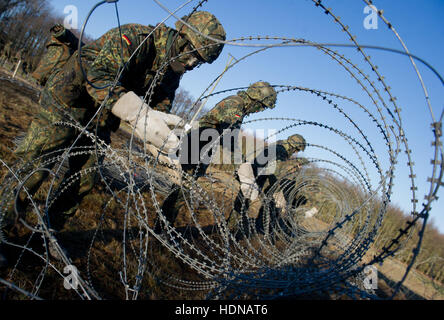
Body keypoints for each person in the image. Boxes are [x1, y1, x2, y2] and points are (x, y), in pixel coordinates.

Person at [0, 11, 226, 236]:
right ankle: (2, 223)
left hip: (102, 117)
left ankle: (48, 230)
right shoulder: (137, 38)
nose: (192, 63)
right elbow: (98, 76)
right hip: (70, 98)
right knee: (37, 163)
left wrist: (170, 146)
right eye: (193, 54)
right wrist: (137, 113)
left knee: (84, 178)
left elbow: (160, 110)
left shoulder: (171, 74)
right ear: (182, 38)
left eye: (200, 62)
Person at [157, 81, 278, 232]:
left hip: (203, 148)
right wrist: (240, 162)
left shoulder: (239, 106)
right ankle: (162, 226)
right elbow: (228, 136)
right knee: (182, 188)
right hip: (197, 145)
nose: (260, 110)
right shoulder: (235, 104)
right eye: (262, 106)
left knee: (183, 188)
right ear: (256, 98)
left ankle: (163, 224)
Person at [232, 134, 307, 239]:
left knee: (243, 203)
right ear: (293, 146)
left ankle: (234, 228)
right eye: (296, 150)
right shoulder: (281, 151)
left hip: (254, 175)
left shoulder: (279, 146)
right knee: (242, 204)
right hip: (254, 176)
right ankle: (232, 230)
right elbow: (274, 172)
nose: (296, 152)